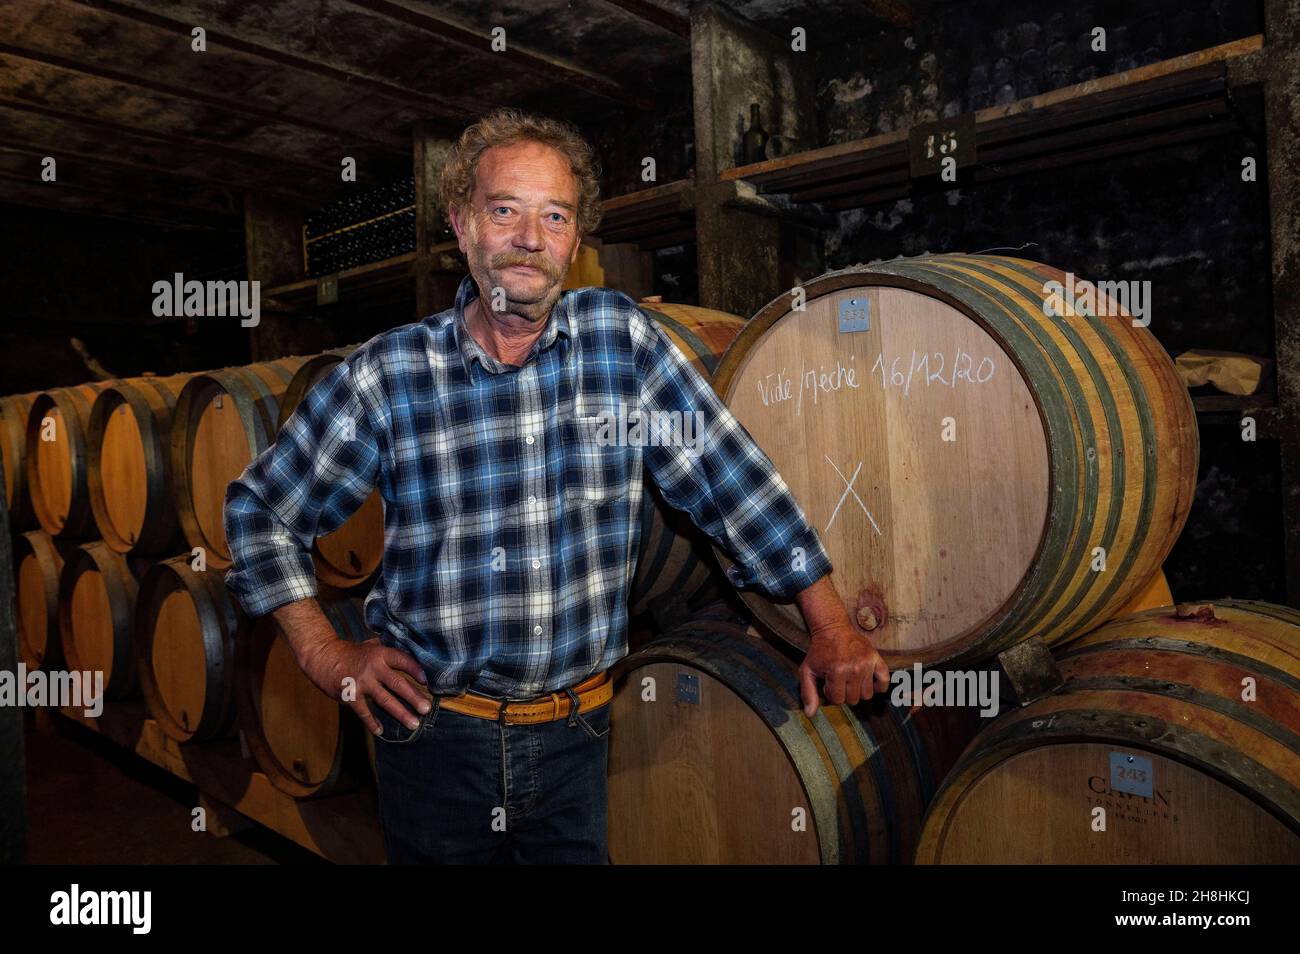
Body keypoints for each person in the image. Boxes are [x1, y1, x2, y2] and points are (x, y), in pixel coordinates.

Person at [223, 106, 889, 864]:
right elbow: (260, 512)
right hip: (437, 740)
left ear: (575, 239)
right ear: (462, 222)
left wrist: (830, 624)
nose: (529, 239)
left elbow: (731, 481)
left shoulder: (620, 342)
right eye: (504, 209)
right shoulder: (390, 371)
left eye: (555, 215)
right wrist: (323, 653)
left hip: (578, 739)